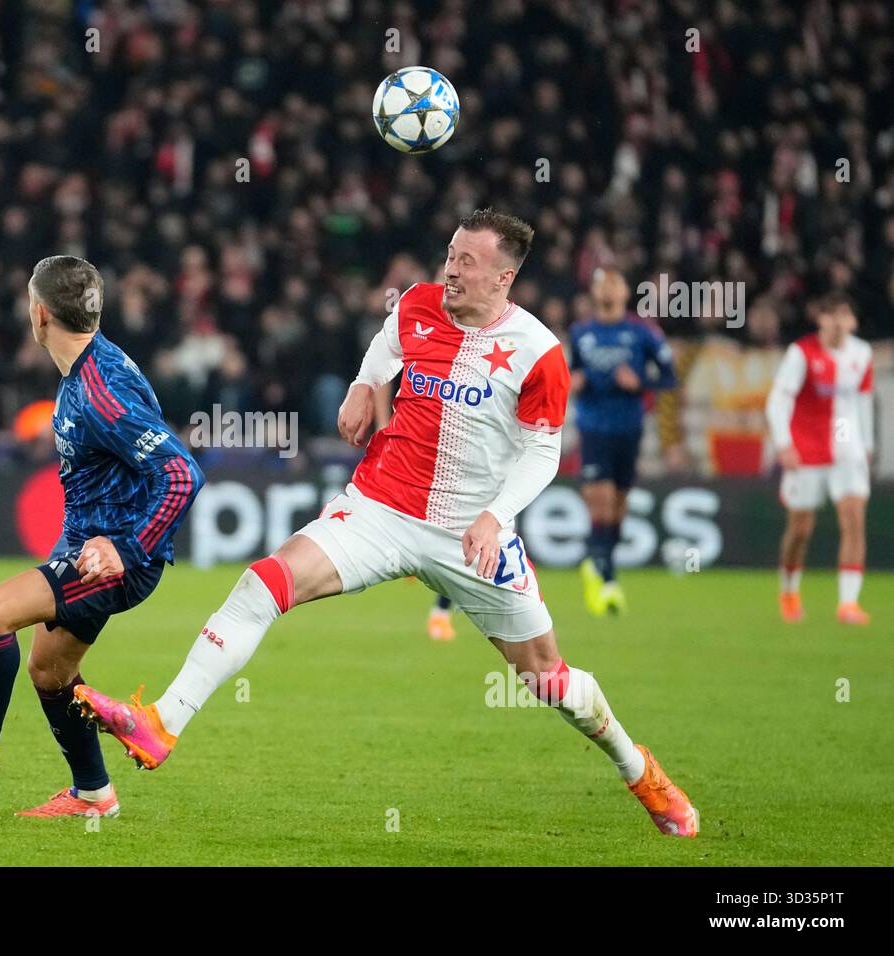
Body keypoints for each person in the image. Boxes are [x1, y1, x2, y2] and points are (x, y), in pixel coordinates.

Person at [75, 211, 699, 837]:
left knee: (547, 678)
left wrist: (494, 517)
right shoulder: (418, 306)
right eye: (450, 254)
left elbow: (541, 451)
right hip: (379, 508)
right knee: (261, 585)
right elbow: (385, 345)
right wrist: (362, 384)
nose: (451, 268)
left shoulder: (539, 353)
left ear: (504, 278)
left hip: (469, 534)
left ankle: (638, 768)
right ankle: (162, 722)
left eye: (468, 262)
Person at [0, 255, 204, 817]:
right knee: (50, 670)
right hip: (88, 545)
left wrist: (127, 548)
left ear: (40, 314)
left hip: (113, 557)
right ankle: (93, 794)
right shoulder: (91, 369)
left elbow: (182, 472)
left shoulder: (100, 391)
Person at [568, 268, 676, 615]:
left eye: (615, 282)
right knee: (599, 502)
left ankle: (598, 563)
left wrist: (641, 381)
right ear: (594, 291)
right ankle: (607, 580)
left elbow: (670, 378)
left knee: (618, 507)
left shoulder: (643, 332)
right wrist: (575, 380)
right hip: (593, 427)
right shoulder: (581, 332)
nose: (609, 288)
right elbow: (568, 373)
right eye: (602, 282)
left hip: (629, 428)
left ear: (626, 291)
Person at [766, 293, 874, 625]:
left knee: (853, 520)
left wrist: (867, 444)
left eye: (845, 315)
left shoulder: (862, 353)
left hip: (847, 450)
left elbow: (863, 401)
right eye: (831, 315)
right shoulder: (801, 353)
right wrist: (784, 445)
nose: (839, 322)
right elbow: (778, 401)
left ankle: (848, 604)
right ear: (820, 320)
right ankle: (789, 591)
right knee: (800, 529)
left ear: (852, 321)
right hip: (807, 452)